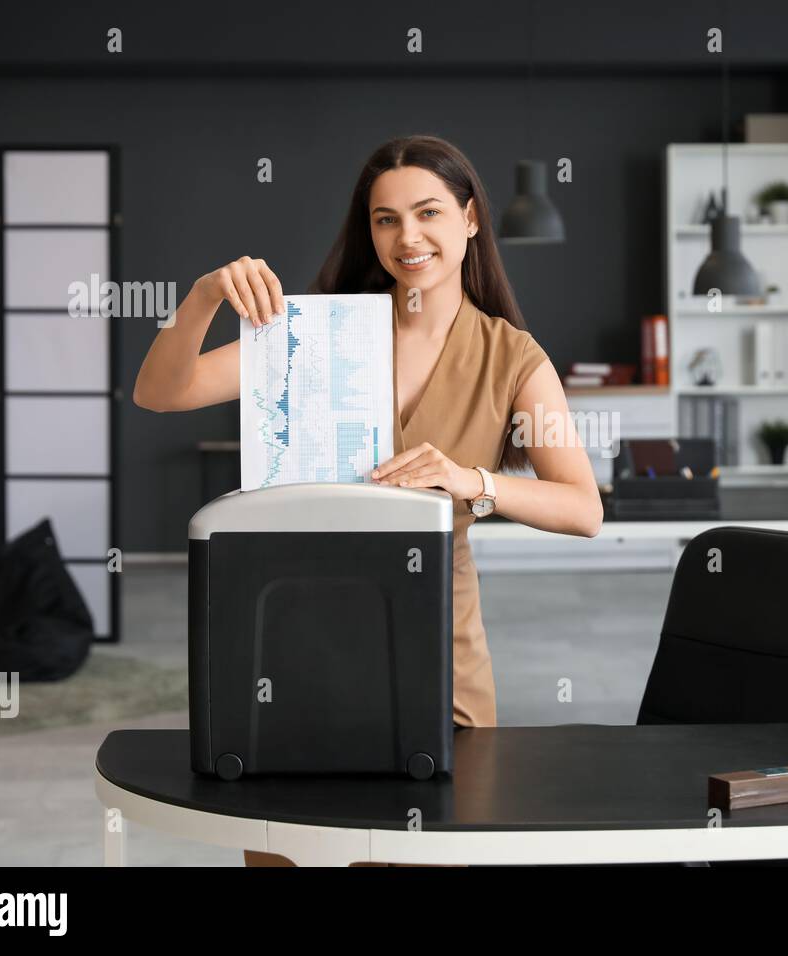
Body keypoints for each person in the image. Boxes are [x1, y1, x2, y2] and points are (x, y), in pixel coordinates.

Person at [132, 134, 603, 866]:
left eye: (428, 213)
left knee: (421, 849)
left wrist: (472, 483)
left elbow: (583, 509)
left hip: (440, 654)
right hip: (299, 639)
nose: (408, 237)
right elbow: (160, 392)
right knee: (288, 849)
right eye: (386, 219)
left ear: (471, 220)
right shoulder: (313, 336)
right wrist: (201, 298)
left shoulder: (513, 356)